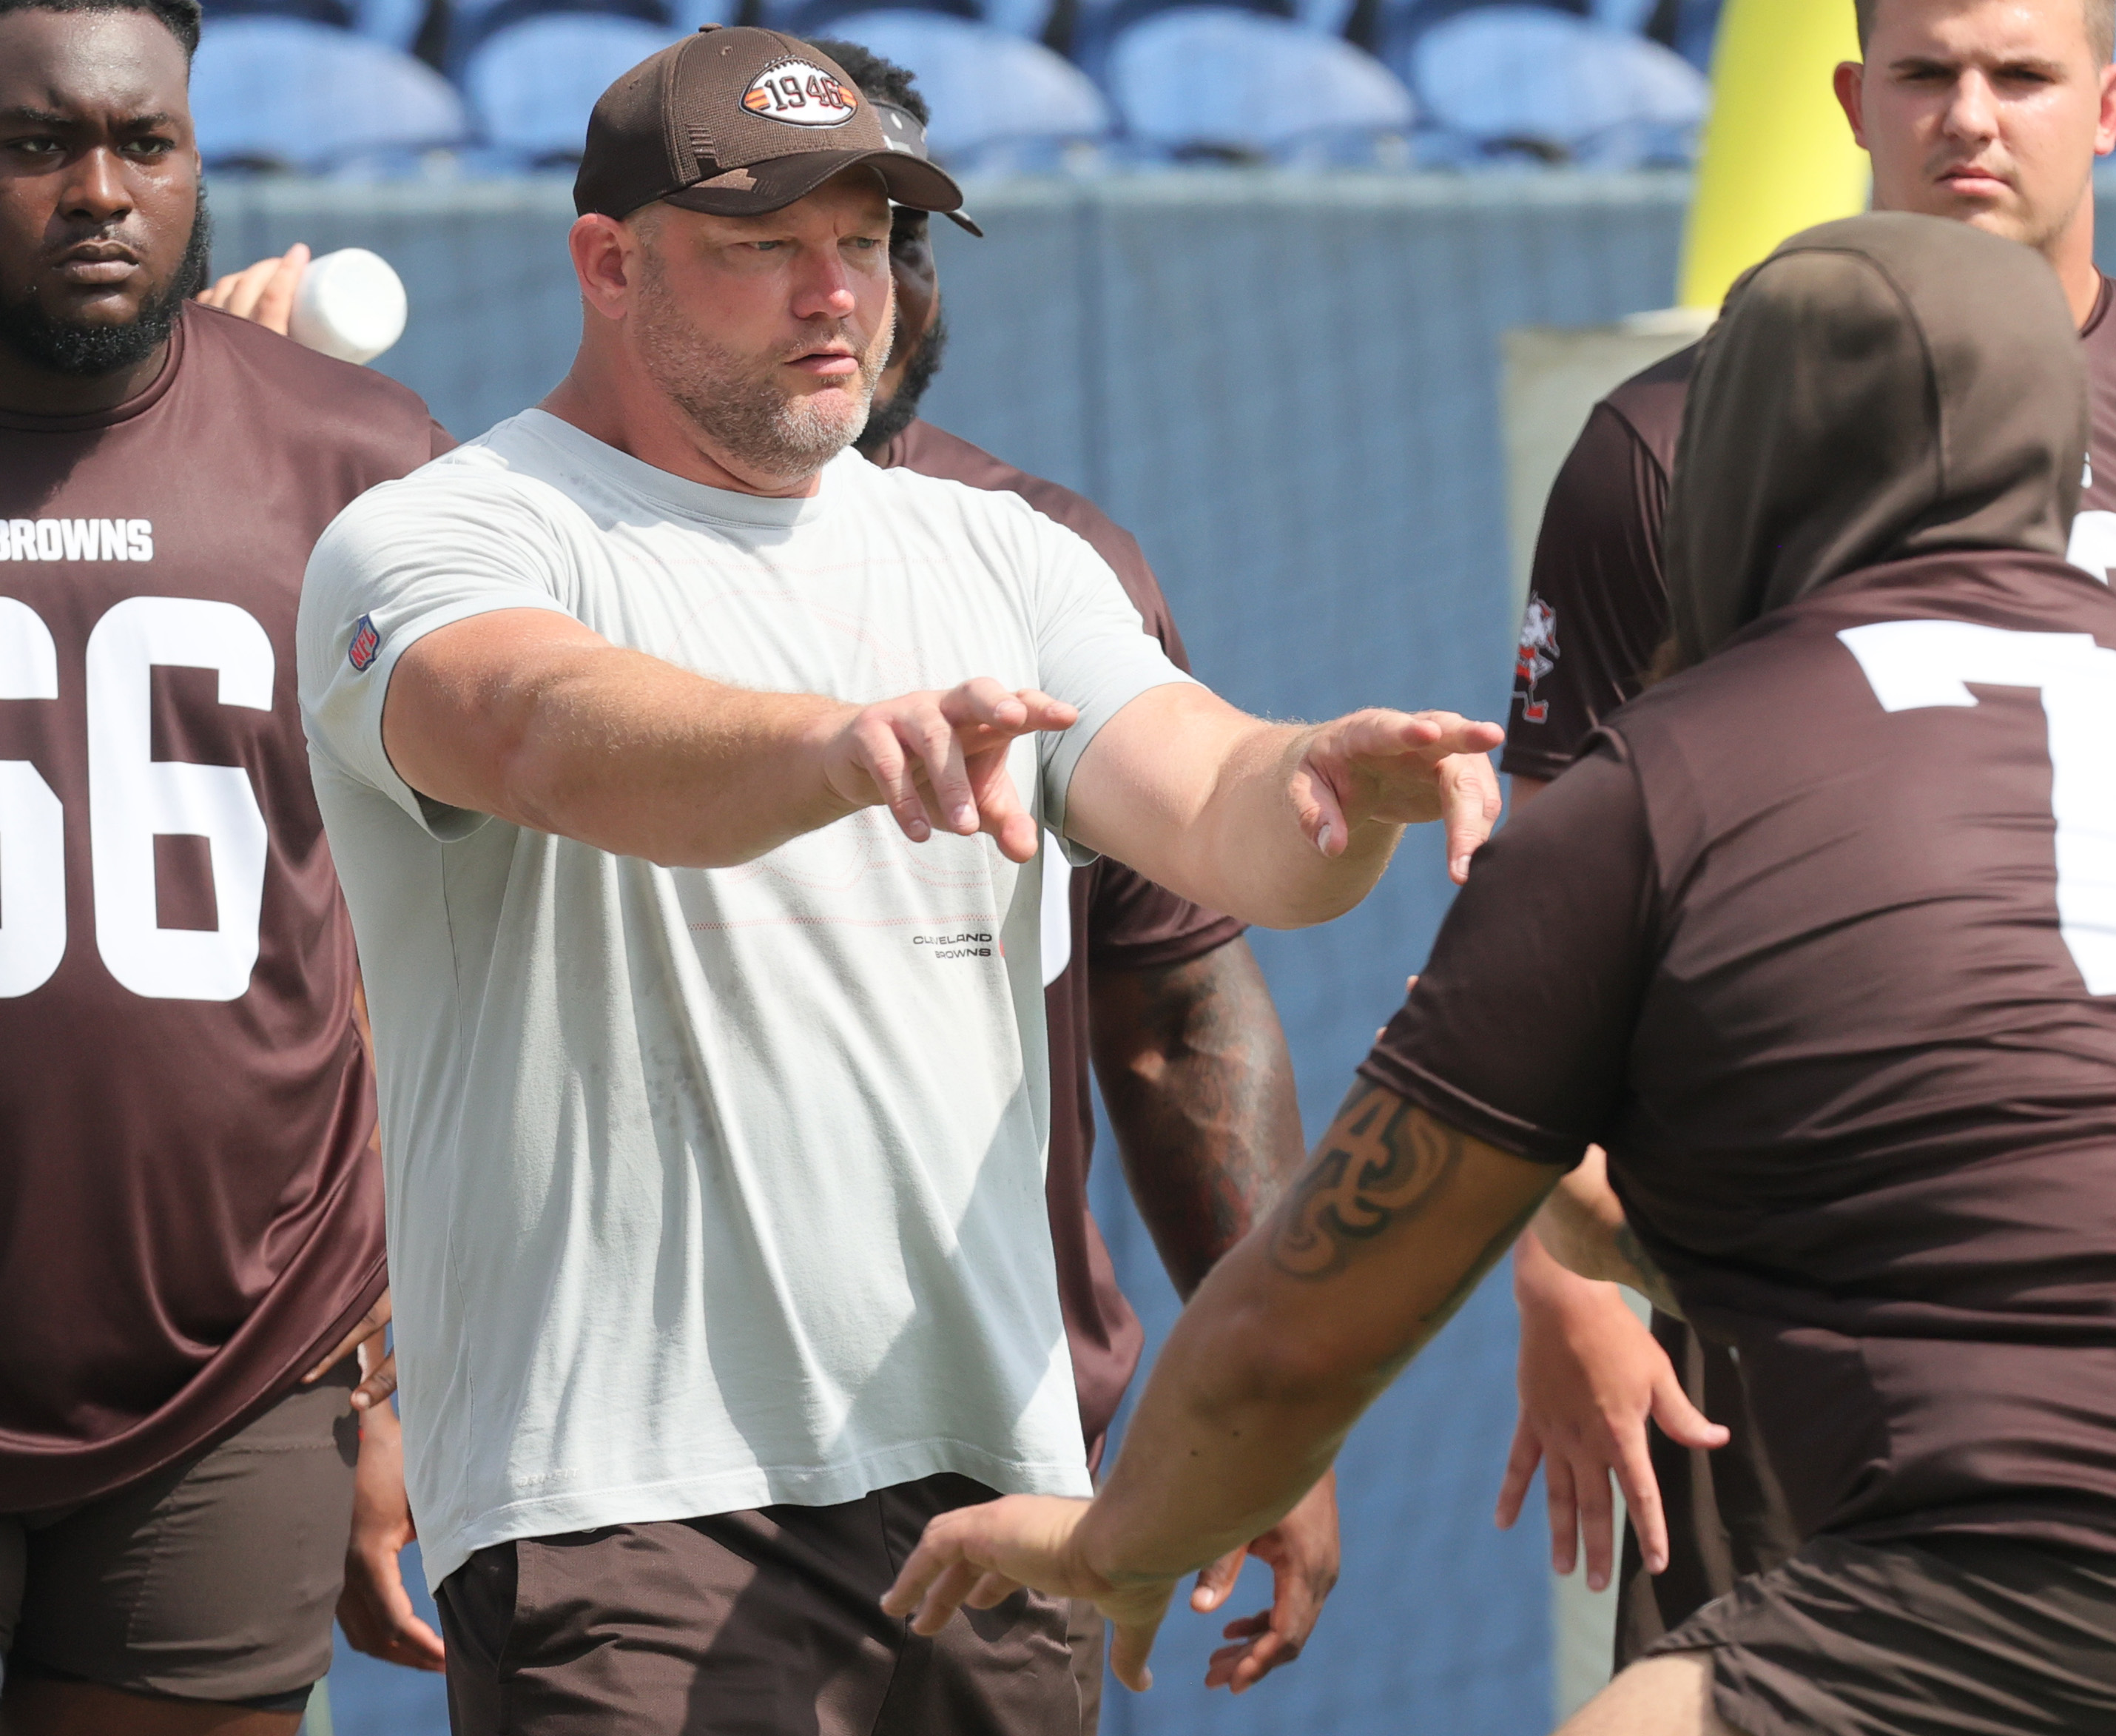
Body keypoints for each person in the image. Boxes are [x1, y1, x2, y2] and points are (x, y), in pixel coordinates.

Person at [886, 212, 2116, 1736]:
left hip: (2006, 1593)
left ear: (1729, 464)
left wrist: (1116, 1541)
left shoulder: (1672, 779)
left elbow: (1298, 1339)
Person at [292, 27, 1498, 1734]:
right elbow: (544, 727)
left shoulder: (1006, 554)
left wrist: (1322, 782)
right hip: (620, 1509)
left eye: (860, 241)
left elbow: (1221, 815)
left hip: (993, 1510)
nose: (834, 293)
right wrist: (833, 748)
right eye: (764, 245)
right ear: (608, 264)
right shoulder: (444, 533)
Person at [1497, 0, 2116, 1663]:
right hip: (1788, 1310)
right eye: (1929, 76)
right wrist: (1564, 1267)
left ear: (2113, 105)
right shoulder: (1661, 448)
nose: (1972, 120)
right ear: (1856, 97)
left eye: (2023, 78)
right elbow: (1540, 923)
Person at [821, 37, 1341, 1714]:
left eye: (897, 244)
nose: (867, 291)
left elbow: (1176, 1014)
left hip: (1005, 1453)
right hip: (640, 1463)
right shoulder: (532, 552)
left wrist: (1274, 1406)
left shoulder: (1049, 564)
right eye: (806, 241)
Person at [0, 0, 454, 1730]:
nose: (102, 192)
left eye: (147, 144)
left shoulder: (354, 461)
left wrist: (389, 1379)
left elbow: (419, 952)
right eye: (40, 146)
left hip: (235, 1376)